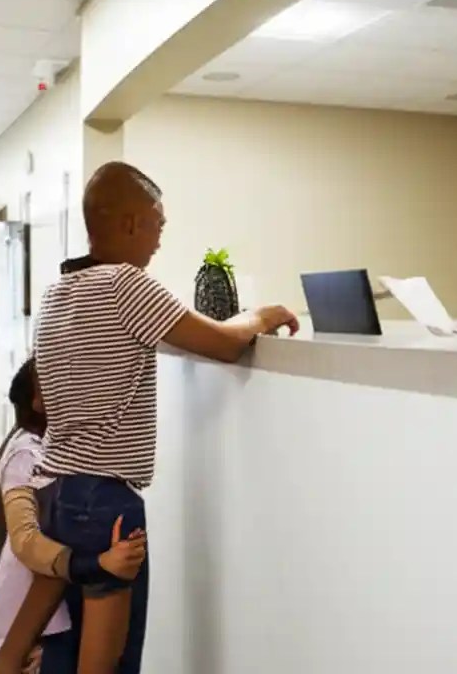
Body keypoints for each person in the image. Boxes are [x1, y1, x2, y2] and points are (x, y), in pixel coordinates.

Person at [33, 161, 299, 673]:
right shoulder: (126, 285)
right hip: (106, 500)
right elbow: (222, 343)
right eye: (158, 225)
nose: (158, 241)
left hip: (58, 493)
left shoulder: (57, 291)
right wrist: (264, 315)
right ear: (132, 223)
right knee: (110, 662)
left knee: (66, 650)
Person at [0, 359, 147, 674]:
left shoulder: (43, 450)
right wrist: (98, 565)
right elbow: (25, 539)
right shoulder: (28, 455)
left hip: (43, 621)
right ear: (39, 403)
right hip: (41, 628)